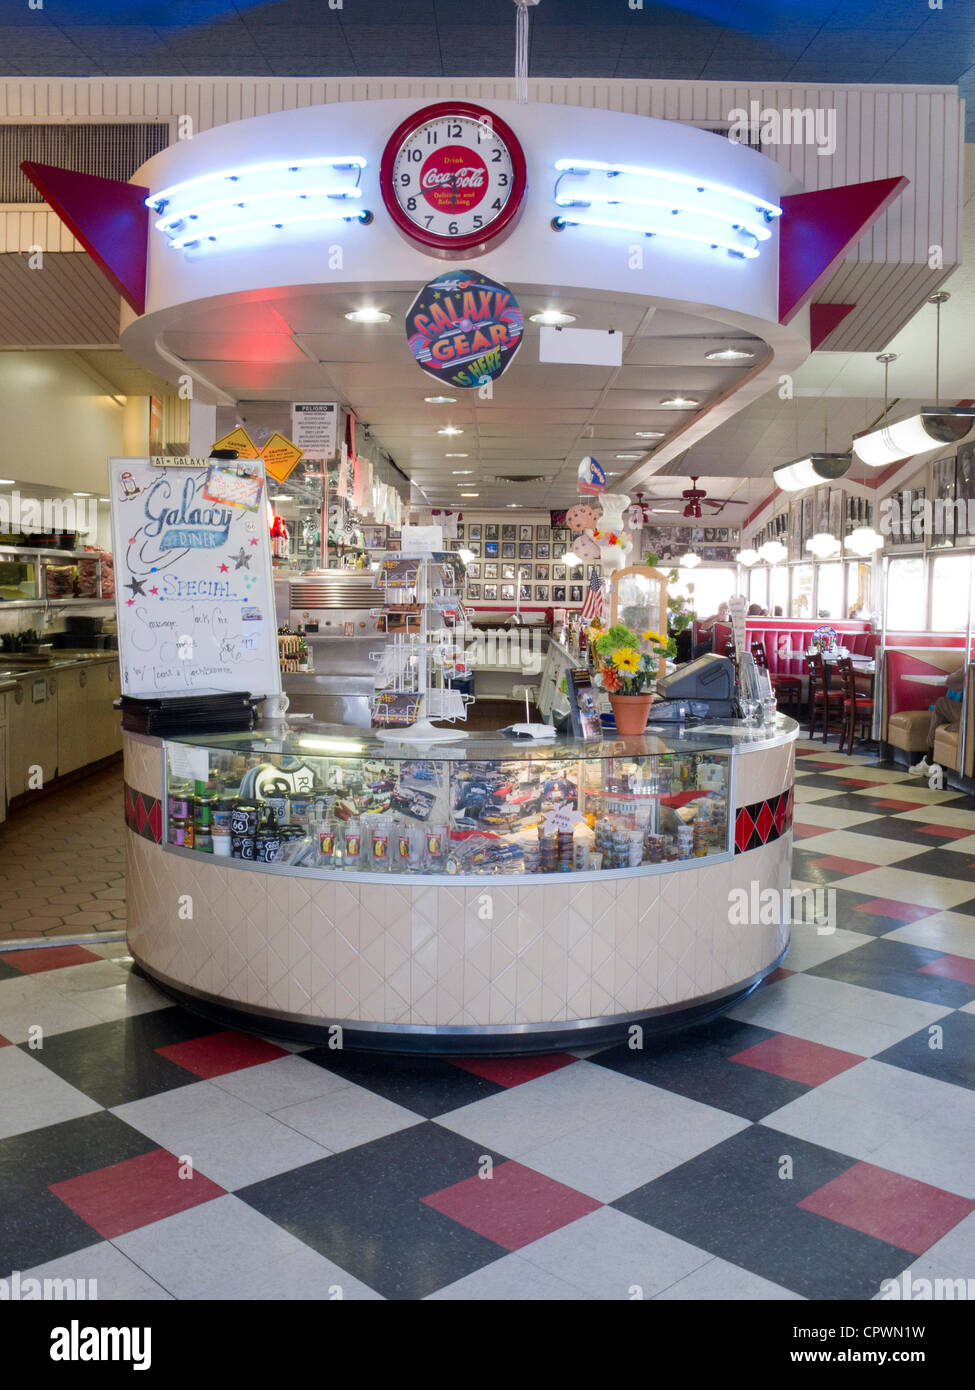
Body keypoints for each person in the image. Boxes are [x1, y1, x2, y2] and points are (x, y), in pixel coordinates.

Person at [911, 668, 965, 775]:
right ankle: (938, 760)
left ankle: (929, 761)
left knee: (941, 704)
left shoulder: (972, 666)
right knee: (943, 709)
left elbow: (951, 682)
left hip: (970, 719)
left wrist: (963, 668)